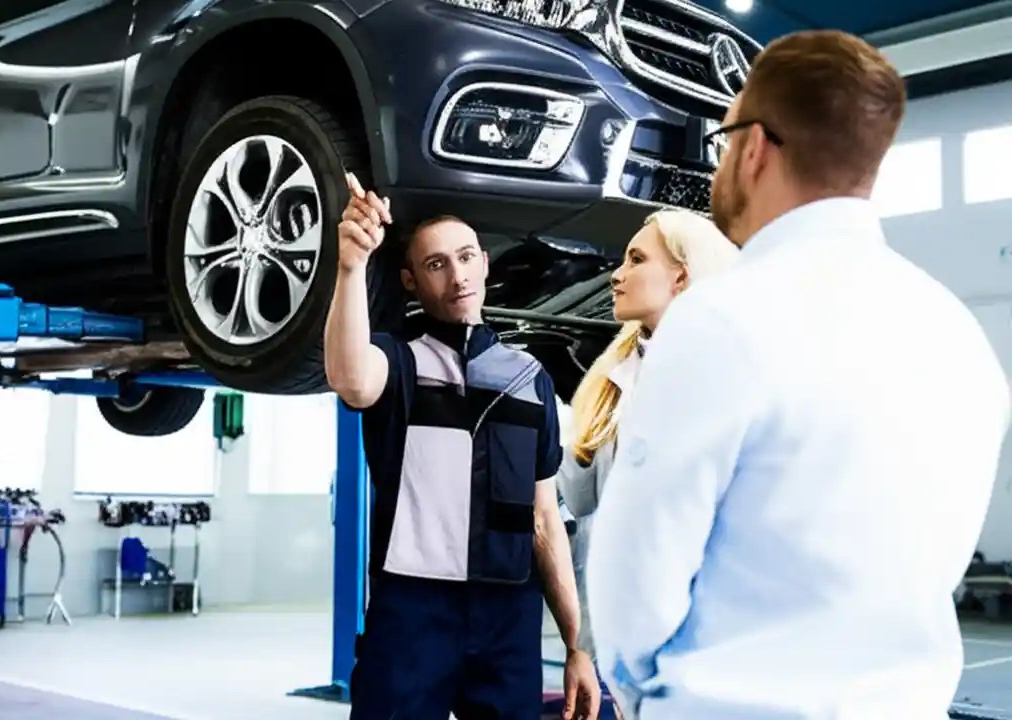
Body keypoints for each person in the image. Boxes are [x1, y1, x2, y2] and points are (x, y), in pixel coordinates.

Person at [584, 29, 1011, 720]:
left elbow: (635, 588)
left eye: (724, 142)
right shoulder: (958, 335)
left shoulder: (717, 322)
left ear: (754, 149)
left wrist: (649, 698)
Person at [325, 172, 602, 720]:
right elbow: (351, 378)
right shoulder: (401, 362)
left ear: (484, 264)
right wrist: (351, 264)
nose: (457, 275)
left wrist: (577, 644)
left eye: (466, 256)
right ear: (410, 281)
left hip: (508, 616)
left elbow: (544, 520)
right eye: (436, 264)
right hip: (412, 612)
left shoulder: (529, 378)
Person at [556, 209, 739, 656]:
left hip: (702, 636)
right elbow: (580, 499)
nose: (617, 276)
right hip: (622, 631)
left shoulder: (729, 375)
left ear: (681, 277)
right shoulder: (612, 377)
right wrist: (562, 427)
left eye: (636, 260)